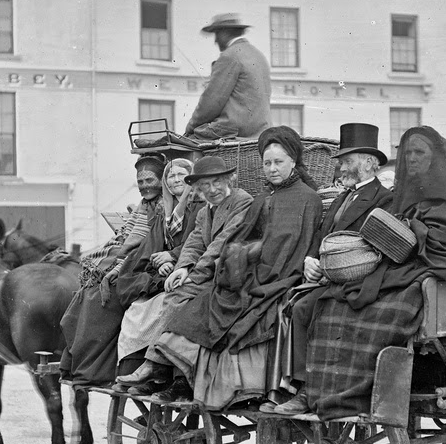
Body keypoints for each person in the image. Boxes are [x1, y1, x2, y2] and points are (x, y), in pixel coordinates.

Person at [119, 127, 322, 409]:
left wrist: (249, 265)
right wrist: (216, 264)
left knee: (214, 303)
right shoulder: (260, 199)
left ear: (293, 161)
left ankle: (185, 376)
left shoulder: (307, 198)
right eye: (267, 163)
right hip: (248, 273)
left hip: (281, 277)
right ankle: (165, 370)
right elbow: (233, 242)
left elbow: (299, 246)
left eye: (279, 162)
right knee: (201, 302)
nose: (272, 169)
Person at [304, 126, 446, 420]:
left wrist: (413, 229)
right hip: (410, 266)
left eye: (420, 153)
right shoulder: (404, 190)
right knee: (342, 301)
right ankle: (332, 390)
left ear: (435, 157)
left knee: (374, 308)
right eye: (408, 154)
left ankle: (354, 393)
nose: (413, 159)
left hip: (440, 269)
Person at [265, 122, 393, 414]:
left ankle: (307, 388)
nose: (342, 168)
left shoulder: (385, 200)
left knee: (304, 309)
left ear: (369, 164)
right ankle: (291, 385)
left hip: (358, 281)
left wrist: (331, 270)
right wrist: (310, 260)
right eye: (341, 162)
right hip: (327, 277)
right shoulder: (341, 198)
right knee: (289, 304)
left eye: (347, 162)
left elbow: (375, 250)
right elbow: (322, 237)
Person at [114, 155, 254, 393]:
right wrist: (182, 268)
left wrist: (193, 275)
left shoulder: (242, 201)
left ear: (228, 180)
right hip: (211, 273)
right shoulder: (204, 212)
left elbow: (221, 243)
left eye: (217, 182)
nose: (212, 190)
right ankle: (162, 370)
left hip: (236, 275)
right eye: (205, 186)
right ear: (197, 189)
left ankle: (157, 368)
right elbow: (194, 244)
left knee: (187, 301)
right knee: (173, 293)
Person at [58, 153, 168, 386]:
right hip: (133, 259)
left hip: (146, 264)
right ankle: (73, 364)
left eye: (150, 180)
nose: (144, 186)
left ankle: (94, 371)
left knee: (101, 301)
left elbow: (149, 244)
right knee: (83, 297)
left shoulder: (163, 206)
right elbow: (128, 234)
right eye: (140, 182)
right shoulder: (144, 205)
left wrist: (119, 266)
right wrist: (113, 251)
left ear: (162, 180)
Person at [184, 13, 272, 141]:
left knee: (185, 141)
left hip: (233, 131)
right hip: (259, 131)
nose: (215, 41)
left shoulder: (229, 56)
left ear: (224, 33)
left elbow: (210, 103)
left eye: (216, 35)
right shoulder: (258, 55)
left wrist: (191, 126)